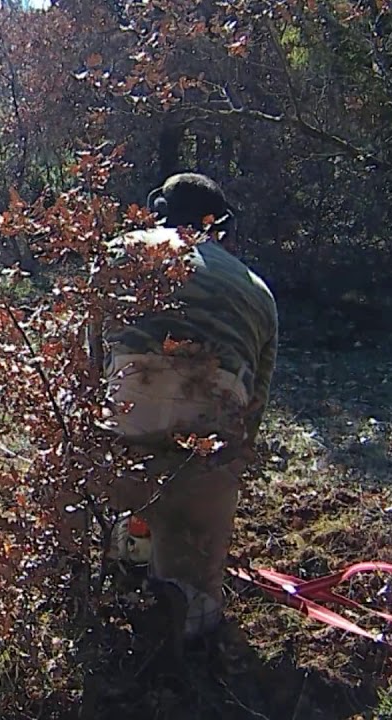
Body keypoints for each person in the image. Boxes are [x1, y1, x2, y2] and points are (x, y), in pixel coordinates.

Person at [94, 172, 278, 641]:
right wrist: (224, 474)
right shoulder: (257, 290)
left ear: (158, 211)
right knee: (198, 606)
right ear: (221, 224)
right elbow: (253, 408)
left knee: (106, 537)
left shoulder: (118, 252)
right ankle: (188, 627)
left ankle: (115, 575)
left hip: (127, 414)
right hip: (211, 430)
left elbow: (87, 365)